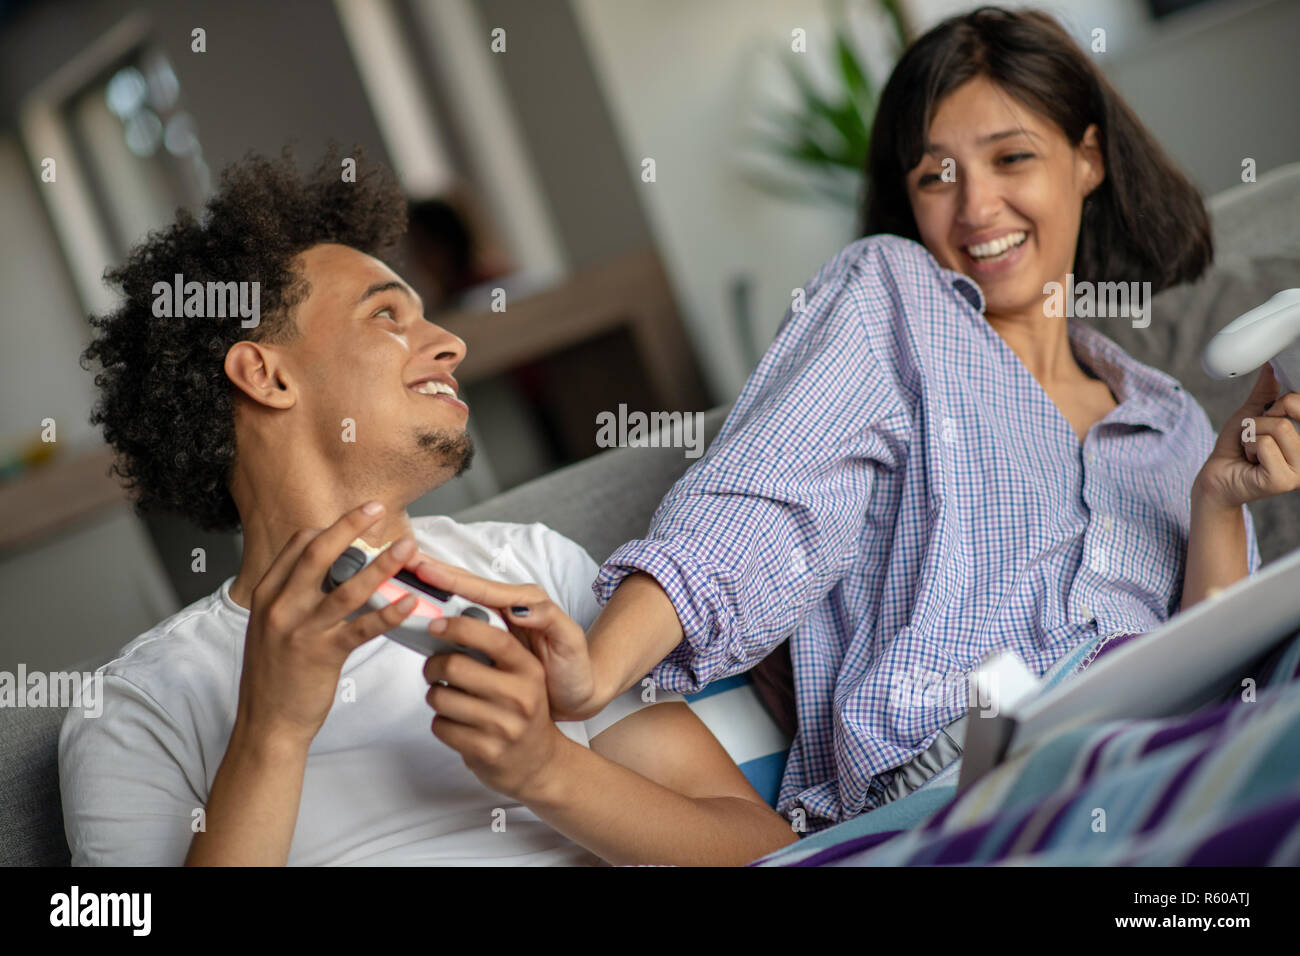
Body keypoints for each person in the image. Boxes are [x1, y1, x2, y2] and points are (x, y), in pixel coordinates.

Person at [416, 6, 1300, 836]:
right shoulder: (895, 299)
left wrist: (1218, 502)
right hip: (973, 768)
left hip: (1171, 741)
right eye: (934, 175)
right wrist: (598, 670)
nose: (977, 207)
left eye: (1011, 158)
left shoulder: (1171, 419)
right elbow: (765, 506)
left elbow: (1219, 668)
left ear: (1088, 160)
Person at [59, 147, 799, 866]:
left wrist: (547, 771)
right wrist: (272, 732)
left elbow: (762, 847)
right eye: (386, 316)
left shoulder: (527, 570)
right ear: (265, 374)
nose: (449, 343)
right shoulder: (139, 706)